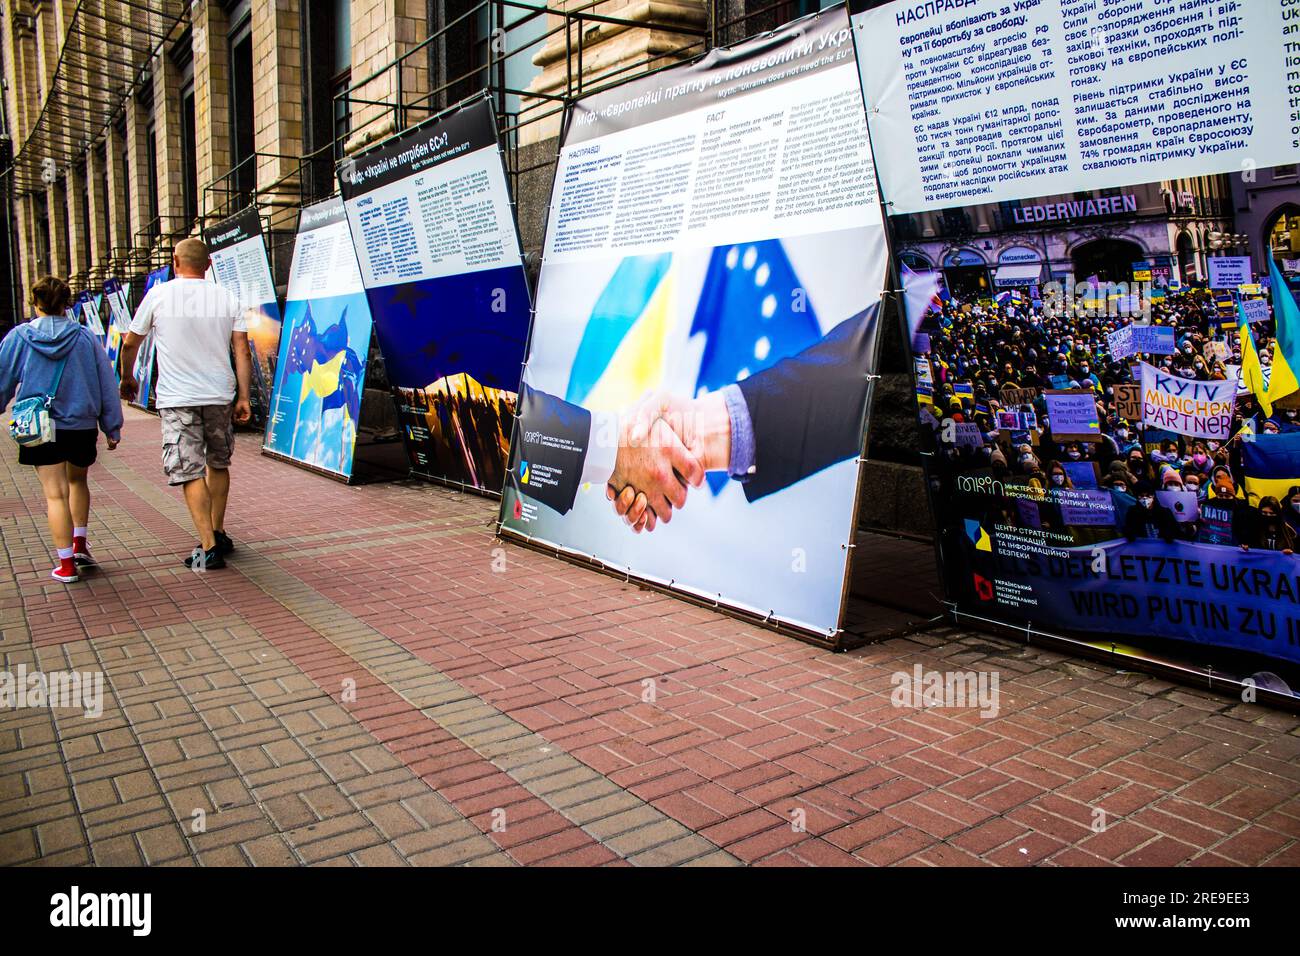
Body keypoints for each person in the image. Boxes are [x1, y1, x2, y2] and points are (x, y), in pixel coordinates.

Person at [118, 238, 251, 569]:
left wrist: (127, 376)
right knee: (218, 463)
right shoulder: (227, 296)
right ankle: (218, 531)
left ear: (174, 261)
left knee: (188, 468)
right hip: (220, 394)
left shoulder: (159, 295)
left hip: (178, 399)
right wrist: (244, 396)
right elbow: (242, 349)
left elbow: (131, 343)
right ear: (208, 265)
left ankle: (208, 548)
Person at [0, 276, 123, 582]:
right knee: (78, 481)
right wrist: (112, 425)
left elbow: (3, 378)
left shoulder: (18, 337)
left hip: (36, 424)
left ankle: (66, 565)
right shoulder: (84, 337)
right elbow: (106, 382)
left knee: (55, 494)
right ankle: (80, 543)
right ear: (67, 303)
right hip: (80, 422)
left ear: (34, 301)